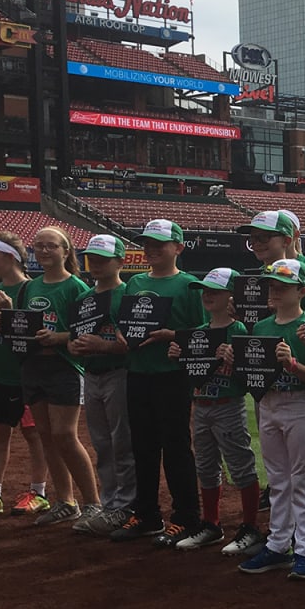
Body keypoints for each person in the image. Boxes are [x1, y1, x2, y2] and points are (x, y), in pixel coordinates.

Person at [0, 227, 100, 528]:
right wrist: (6, 316)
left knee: (65, 434)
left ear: (66, 251)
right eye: (39, 246)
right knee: (47, 436)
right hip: (33, 366)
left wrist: (58, 337)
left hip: (63, 366)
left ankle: (93, 503)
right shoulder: (30, 287)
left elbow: (87, 330)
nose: (43, 251)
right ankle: (65, 501)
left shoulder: (76, 287)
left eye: (51, 246)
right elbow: (23, 326)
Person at [110, 219, 208, 544]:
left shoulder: (189, 285)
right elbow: (124, 321)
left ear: (178, 247)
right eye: (147, 244)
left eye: (159, 244)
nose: (151, 249)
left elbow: (203, 333)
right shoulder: (135, 282)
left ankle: (187, 517)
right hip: (138, 372)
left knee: (176, 447)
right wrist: (122, 332)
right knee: (142, 447)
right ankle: (147, 514)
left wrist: (173, 335)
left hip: (172, 376)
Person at [236, 258, 305, 578]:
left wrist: (291, 364)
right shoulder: (261, 327)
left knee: (303, 477)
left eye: (282, 286)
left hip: (298, 402)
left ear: (302, 290)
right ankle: (278, 544)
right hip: (268, 403)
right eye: (271, 285)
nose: (274, 290)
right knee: (277, 478)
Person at [166, 267, 264, 554]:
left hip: (227, 405)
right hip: (201, 405)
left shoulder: (239, 330)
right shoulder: (198, 332)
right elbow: (193, 373)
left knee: (240, 465)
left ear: (232, 296)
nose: (207, 296)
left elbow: (250, 376)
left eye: (215, 291)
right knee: (206, 466)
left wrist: (235, 361)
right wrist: (178, 357)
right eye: (205, 291)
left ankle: (249, 527)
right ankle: (211, 524)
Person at [0, 232, 50, 519]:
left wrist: (8, 312)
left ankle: (39, 492)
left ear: (10, 257)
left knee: (34, 434)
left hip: (26, 374)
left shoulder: (33, 289)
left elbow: (33, 333)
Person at [67, 234, 136, 536]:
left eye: (102, 259)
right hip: (92, 374)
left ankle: (126, 506)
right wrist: (74, 346)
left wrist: (103, 345)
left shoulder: (129, 294)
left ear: (120, 261)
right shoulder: (84, 297)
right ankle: (109, 506)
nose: (95, 263)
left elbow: (133, 344)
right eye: (91, 258)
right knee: (102, 444)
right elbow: (74, 339)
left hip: (120, 373)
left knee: (122, 442)